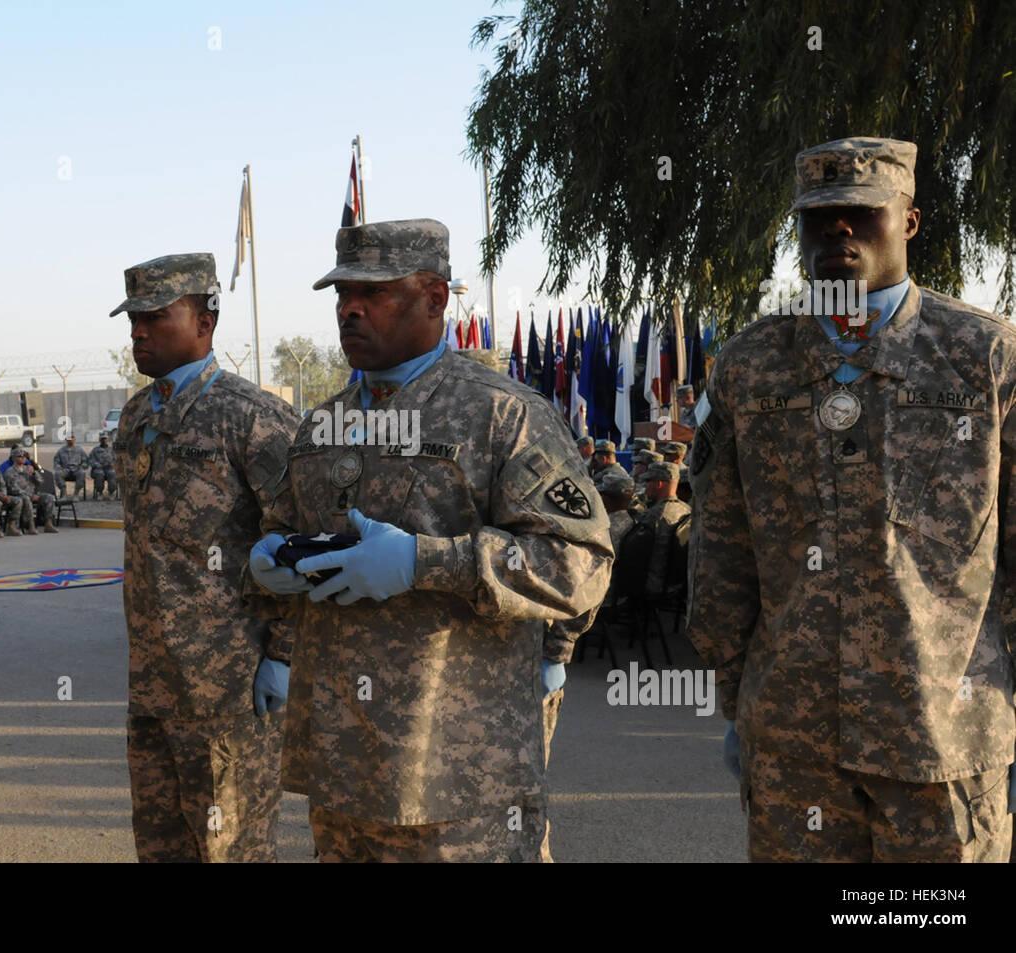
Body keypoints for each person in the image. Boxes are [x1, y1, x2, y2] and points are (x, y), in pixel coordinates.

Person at [689, 137, 1016, 862]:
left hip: (943, 749)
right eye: (818, 215)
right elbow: (722, 551)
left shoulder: (985, 357)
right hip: (793, 744)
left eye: (861, 213)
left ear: (910, 220)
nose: (837, 229)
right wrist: (738, 699)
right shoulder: (752, 364)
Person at [250, 218, 613, 862]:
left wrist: (426, 563)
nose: (350, 309)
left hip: (459, 773)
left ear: (436, 299)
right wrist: (275, 556)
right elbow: (287, 526)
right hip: (342, 769)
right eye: (341, 295)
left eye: (375, 292)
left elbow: (579, 562)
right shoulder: (322, 426)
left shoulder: (502, 415)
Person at [109, 252, 300, 862]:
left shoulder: (253, 418)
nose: (138, 331)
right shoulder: (137, 416)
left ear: (205, 320)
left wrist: (285, 656)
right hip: (153, 685)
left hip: (229, 693)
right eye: (133, 317)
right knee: (162, 847)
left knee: (231, 850)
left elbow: (301, 541)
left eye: (156, 316)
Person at [635, 462, 690, 597]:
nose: (645, 486)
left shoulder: (654, 515)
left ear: (659, 484)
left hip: (654, 582)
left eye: (648, 481)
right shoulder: (687, 510)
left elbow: (633, 546)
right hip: (677, 582)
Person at [3, 446, 57, 534]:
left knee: (49, 497)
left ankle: (48, 523)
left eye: (24, 456)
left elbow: (40, 482)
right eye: (20, 456)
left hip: (33, 495)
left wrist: (34, 473)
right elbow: (14, 489)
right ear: (13, 458)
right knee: (26, 499)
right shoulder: (9, 472)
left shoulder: (28, 469)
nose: (23, 458)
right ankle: (31, 525)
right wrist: (31, 496)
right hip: (20, 496)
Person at [87, 433, 117, 499]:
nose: (104, 440)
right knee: (99, 474)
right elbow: (90, 460)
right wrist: (96, 464)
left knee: (112, 473)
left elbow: (117, 459)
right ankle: (100, 493)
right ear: (100, 440)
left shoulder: (112, 450)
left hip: (109, 468)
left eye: (105, 439)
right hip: (98, 469)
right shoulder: (95, 450)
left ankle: (111, 492)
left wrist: (113, 464)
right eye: (102, 439)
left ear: (108, 439)